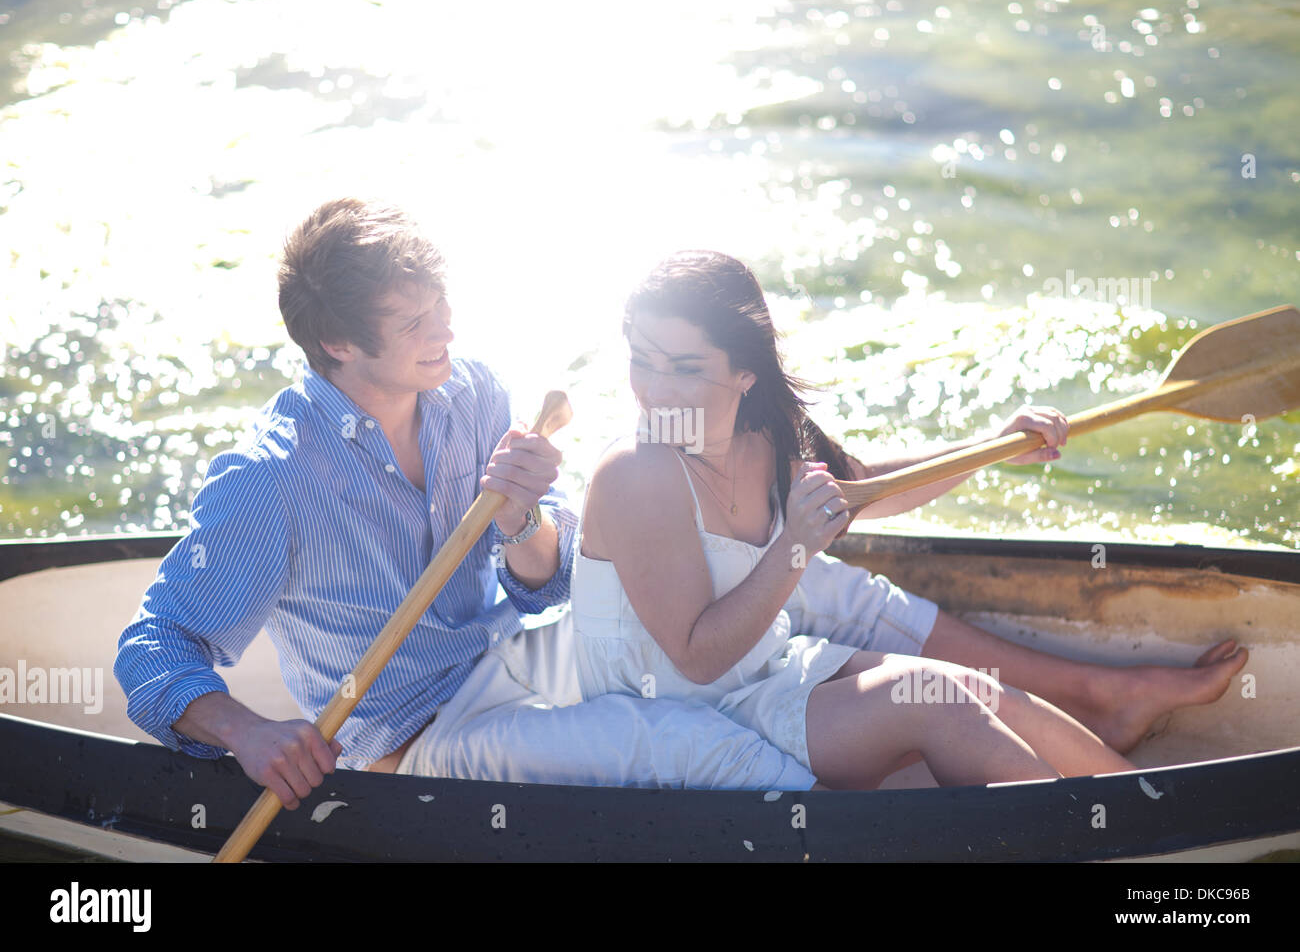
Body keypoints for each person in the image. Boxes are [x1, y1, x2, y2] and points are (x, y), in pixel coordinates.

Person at [115, 199, 823, 812]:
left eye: (442, 302)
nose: (446, 329)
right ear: (337, 342)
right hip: (421, 734)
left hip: (516, 656)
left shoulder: (471, 393)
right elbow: (153, 648)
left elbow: (547, 582)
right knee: (690, 747)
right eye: (417, 320)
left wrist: (523, 518)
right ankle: (847, 828)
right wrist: (249, 732)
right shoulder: (270, 479)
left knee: (714, 691)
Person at [569, 249, 1250, 788]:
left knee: (969, 688)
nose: (655, 390)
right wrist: (798, 547)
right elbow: (695, 657)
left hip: (762, 673)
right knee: (936, 703)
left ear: (746, 373)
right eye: (641, 362)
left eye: (684, 368)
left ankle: (1143, 809)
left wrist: (992, 448)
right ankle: (1110, 844)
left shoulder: (762, 433)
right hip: (678, 712)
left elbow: (865, 486)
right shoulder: (638, 472)